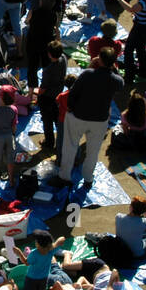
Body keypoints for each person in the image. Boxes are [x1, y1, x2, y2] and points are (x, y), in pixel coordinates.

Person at [58, 47, 125, 187]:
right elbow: (121, 82)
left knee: (70, 147)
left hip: (79, 116)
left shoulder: (88, 74)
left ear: (99, 59)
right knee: (93, 151)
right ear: (113, 62)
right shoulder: (114, 80)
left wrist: (70, 108)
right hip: (99, 120)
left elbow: (74, 92)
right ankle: (88, 178)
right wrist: (113, 67)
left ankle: (64, 177)